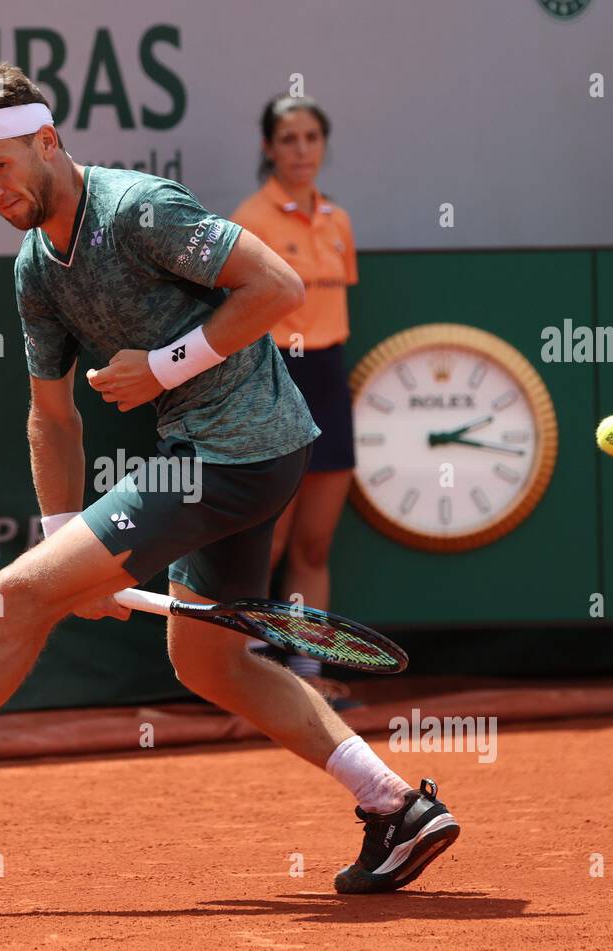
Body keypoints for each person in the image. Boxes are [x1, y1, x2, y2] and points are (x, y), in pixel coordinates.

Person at [0, 65, 458, 893]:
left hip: (234, 451)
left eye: (1, 166)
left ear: (47, 142)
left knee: (14, 596)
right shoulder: (33, 268)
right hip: (229, 457)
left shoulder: (141, 209)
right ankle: (394, 804)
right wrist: (61, 539)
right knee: (209, 665)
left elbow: (277, 287)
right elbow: (53, 416)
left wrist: (164, 365)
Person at [231, 96, 358, 706]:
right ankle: (248, 670)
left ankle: (307, 671)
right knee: (270, 537)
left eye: (312, 137)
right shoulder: (249, 219)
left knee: (314, 542)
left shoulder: (338, 220)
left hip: (330, 377)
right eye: (289, 139)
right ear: (268, 148)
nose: (302, 150)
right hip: (276, 377)